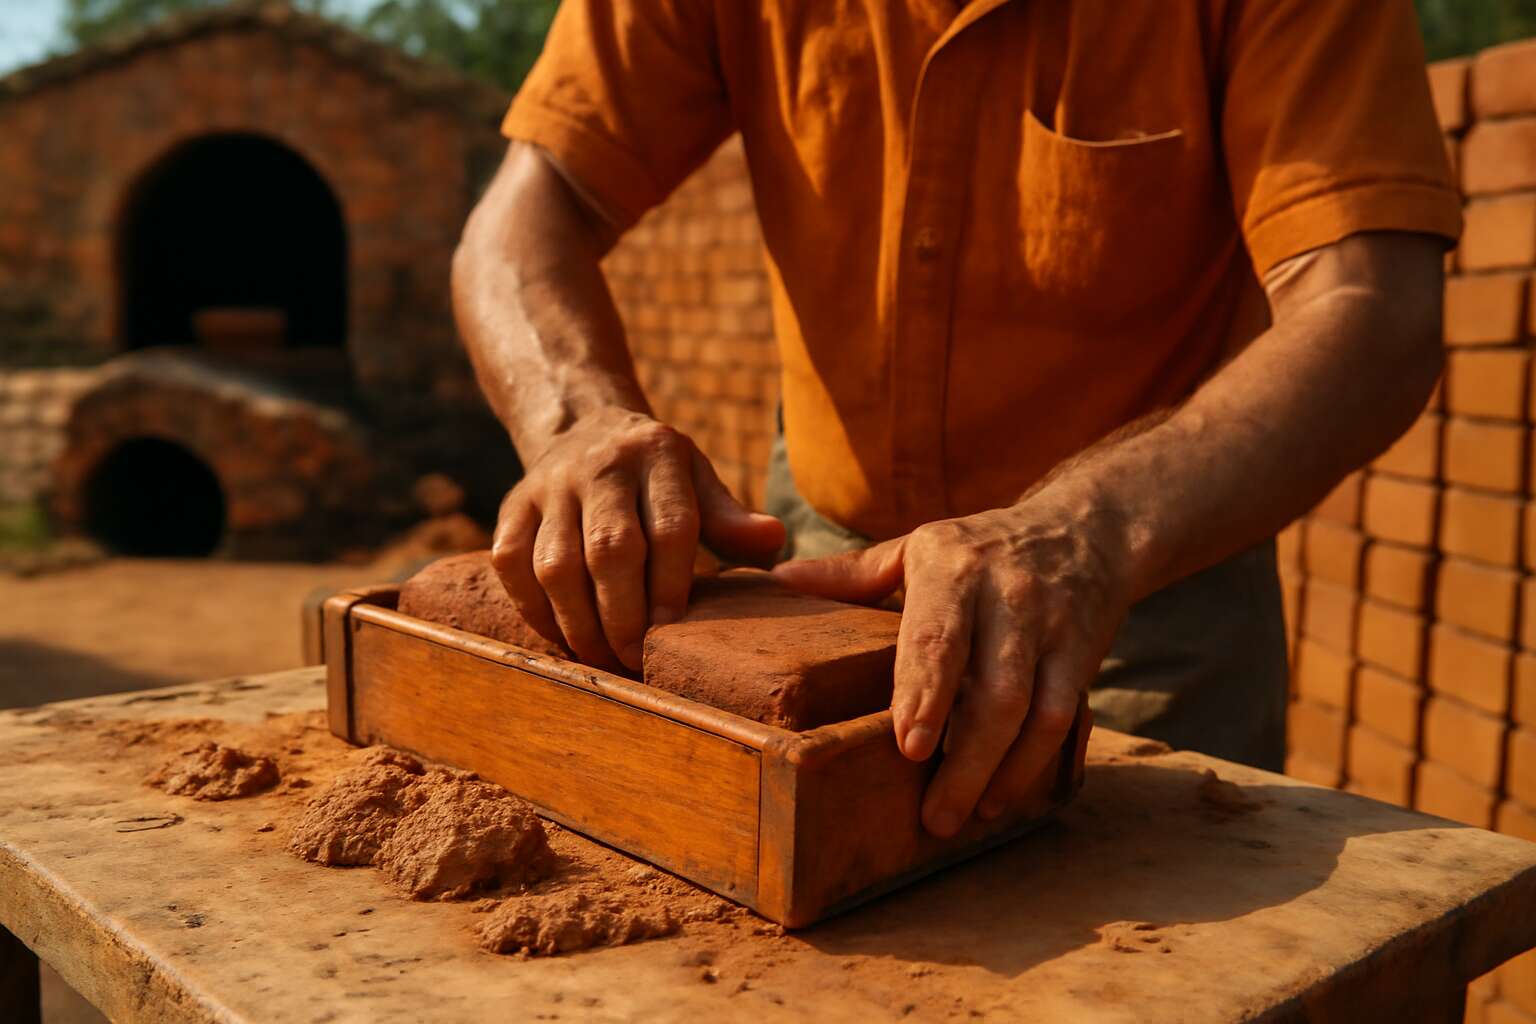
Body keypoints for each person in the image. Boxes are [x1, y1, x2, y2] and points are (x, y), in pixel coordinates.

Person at [451, 0, 1460, 839]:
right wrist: (577, 418)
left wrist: (1088, 533)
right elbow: (523, 214)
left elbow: (1372, 310)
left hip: (1131, 602)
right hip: (814, 583)